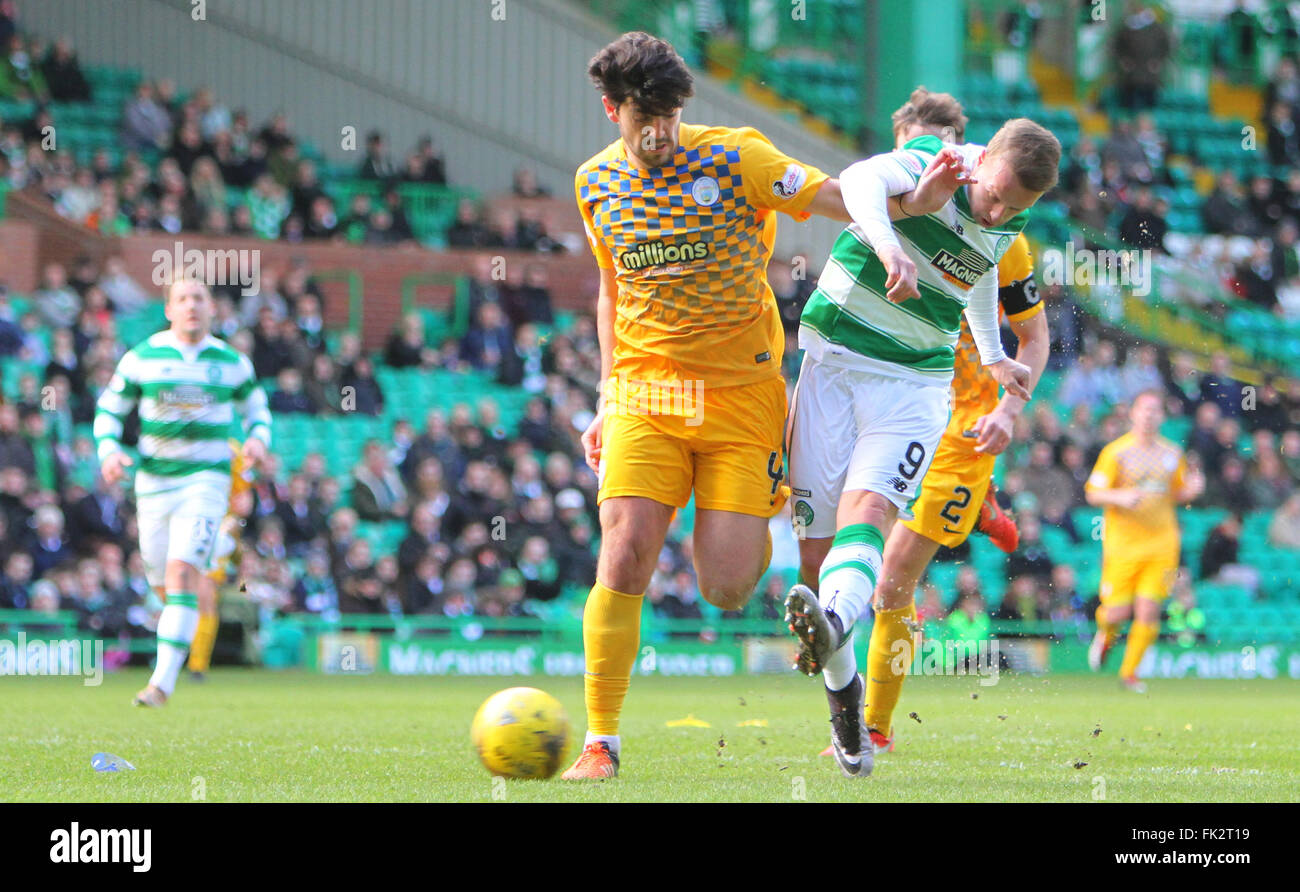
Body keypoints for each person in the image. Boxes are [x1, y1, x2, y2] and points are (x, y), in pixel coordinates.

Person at [561, 31, 855, 781]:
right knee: (623, 549)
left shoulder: (738, 157)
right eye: (641, 116)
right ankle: (602, 742)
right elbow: (611, 289)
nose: (657, 132)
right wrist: (605, 389)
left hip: (741, 396)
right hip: (645, 394)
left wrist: (912, 202)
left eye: (668, 114)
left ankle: (755, 503)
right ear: (611, 109)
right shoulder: (594, 185)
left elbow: (832, 197)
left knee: (725, 588)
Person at [783, 106, 1053, 777]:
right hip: (837, 362)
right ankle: (845, 686)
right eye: (992, 197)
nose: (994, 213)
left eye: (1011, 206)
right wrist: (891, 240)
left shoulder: (1008, 220)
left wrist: (1002, 385)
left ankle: (874, 724)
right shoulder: (935, 166)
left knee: (888, 562)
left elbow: (993, 277)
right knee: (816, 565)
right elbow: (860, 181)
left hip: (931, 406)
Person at [94, 278, 271, 707]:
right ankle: (171, 662)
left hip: (206, 482)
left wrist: (258, 441)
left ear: (212, 308)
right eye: (182, 299)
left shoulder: (231, 362)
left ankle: (161, 684)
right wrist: (109, 450)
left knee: (182, 573)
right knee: (162, 582)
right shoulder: (144, 357)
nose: (191, 306)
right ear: (170, 309)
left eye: (199, 299)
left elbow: (257, 410)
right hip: (154, 483)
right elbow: (109, 409)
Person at [1085, 390, 1204, 692]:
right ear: (1133, 414)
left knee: (1149, 611)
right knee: (1116, 613)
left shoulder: (1172, 453)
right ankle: (1107, 633)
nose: (1150, 415)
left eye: (1155, 410)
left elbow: (1178, 493)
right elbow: (1092, 493)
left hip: (1163, 544)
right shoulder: (1116, 452)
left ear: (1162, 416)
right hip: (1123, 546)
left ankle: (1130, 674)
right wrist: (1120, 496)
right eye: (1145, 409)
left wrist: (1193, 488)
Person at [188, 444, 256, 681]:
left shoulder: (233, 453)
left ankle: (196, 664)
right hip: (195, 529)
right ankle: (189, 661)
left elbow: (245, 504)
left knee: (204, 602)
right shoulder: (201, 453)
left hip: (214, 535)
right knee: (195, 603)